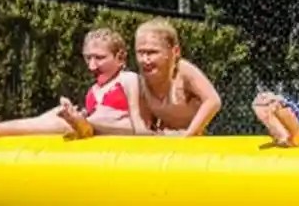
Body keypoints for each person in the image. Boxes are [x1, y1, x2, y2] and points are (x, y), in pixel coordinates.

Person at [0, 27, 145, 140]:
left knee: (66, 120)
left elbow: (139, 122)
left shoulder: (128, 79)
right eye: (87, 58)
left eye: (99, 58)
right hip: (89, 130)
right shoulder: (93, 91)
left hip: (115, 130)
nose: (92, 66)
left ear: (120, 58)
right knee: (59, 112)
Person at [59, 18, 222, 138]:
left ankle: (85, 123)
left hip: (190, 138)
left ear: (175, 52)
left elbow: (213, 101)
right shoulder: (143, 80)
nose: (145, 60)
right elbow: (138, 123)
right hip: (162, 137)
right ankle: (82, 123)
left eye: (152, 52)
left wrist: (189, 134)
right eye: (140, 52)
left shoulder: (184, 71)